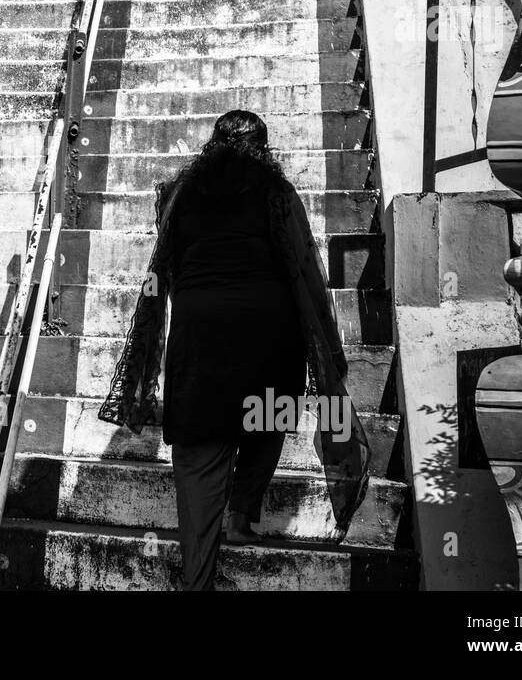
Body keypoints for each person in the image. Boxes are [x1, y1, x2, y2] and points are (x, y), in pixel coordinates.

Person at [98, 109, 370, 591]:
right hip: (269, 331)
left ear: (212, 146)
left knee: (200, 455)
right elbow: (304, 267)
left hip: (199, 337)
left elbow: (167, 267)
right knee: (268, 416)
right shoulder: (277, 194)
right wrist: (325, 348)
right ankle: (242, 515)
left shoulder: (178, 195)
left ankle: (198, 577)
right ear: (263, 151)